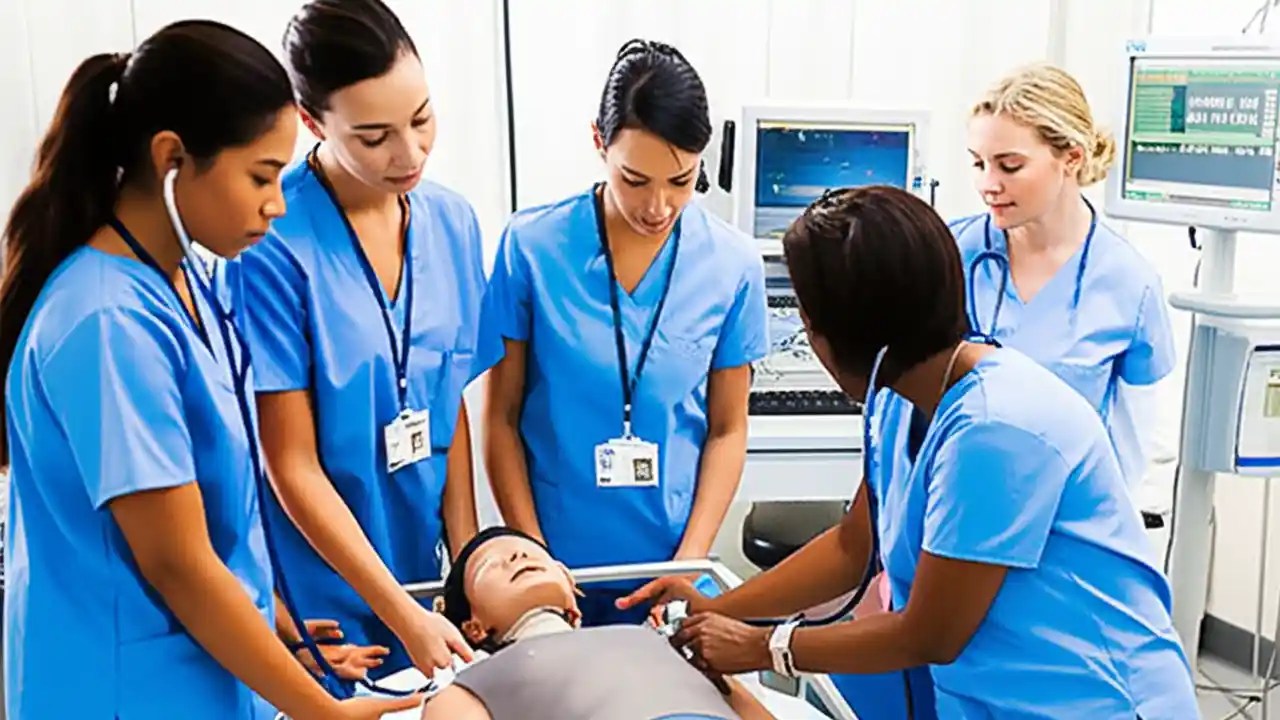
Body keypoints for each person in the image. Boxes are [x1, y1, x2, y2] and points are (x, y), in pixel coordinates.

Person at [618, 186, 1200, 718]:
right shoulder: (901, 394)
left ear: (844, 331)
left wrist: (765, 647)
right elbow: (853, 545)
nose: (805, 337)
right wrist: (721, 611)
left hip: (1099, 700)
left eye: (807, 320)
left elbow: (930, 635)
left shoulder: (999, 429)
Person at [0, 19, 421, 719]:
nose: (277, 204)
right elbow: (178, 563)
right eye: (260, 176)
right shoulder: (106, 323)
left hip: (198, 680)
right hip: (122, 693)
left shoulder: (183, 287)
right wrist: (325, 709)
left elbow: (217, 517)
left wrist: (272, 618)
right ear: (172, 159)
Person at [240, 0, 493, 686]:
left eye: (421, 119)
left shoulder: (452, 223)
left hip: (422, 581)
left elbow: (451, 405)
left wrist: (468, 562)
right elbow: (288, 463)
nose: (409, 154)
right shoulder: (273, 245)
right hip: (321, 599)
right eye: (375, 136)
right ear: (312, 123)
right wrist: (398, 613)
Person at [480, 39, 768, 626]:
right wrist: (536, 561)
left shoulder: (733, 265)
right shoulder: (532, 246)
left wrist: (690, 565)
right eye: (634, 179)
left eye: (682, 181)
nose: (658, 206)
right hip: (555, 565)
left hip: (671, 564)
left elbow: (727, 428)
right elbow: (501, 418)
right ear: (598, 142)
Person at [955, 62, 1176, 519]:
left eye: (1009, 166)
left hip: (1065, 521)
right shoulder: (949, 253)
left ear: (1071, 158)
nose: (987, 184)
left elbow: (1134, 441)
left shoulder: (1127, 282)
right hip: (953, 508)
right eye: (978, 163)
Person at [421, 526, 775, 720]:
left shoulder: (675, 643)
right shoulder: (472, 684)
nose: (516, 556)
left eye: (535, 555)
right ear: (473, 627)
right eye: (492, 565)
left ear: (571, 593)